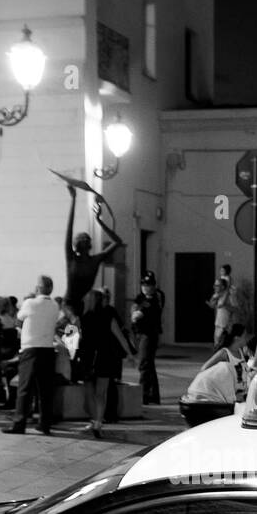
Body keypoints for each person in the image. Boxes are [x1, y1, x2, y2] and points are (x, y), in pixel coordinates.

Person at [6, 276, 60, 435]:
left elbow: (19, 318)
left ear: (37, 288)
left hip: (30, 349)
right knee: (45, 390)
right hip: (48, 350)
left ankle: (19, 423)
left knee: (25, 389)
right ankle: (45, 424)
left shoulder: (29, 303)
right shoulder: (55, 305)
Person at [78, 286, 134, 437]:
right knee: (101, 393)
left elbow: (74, 337)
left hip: (88, 357)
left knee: (89, 391)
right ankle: (98, 423)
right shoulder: (108, 315)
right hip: (105, 356)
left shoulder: (83, 316)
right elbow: (120, 336)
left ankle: (92, 419)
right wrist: (129, 353)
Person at [64, 184, 124, 308]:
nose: (84, 240)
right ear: (77, 244)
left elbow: (118, 242)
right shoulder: (72, 258)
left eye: (86, 239)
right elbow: (69, 228)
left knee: (79, 326)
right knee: (72, 327)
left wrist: (99, 220)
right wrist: (73, 200)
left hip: (82, 306)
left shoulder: (95, 260)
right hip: (68, 306)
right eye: (81, 239)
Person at [130, 273, 162, 405]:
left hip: (149, 334)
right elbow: (134, 308)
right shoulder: (141, 298)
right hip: (140, 333)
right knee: (149, 364)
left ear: (154, 286)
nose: (145, 287)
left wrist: (136, 312)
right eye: (143, 284)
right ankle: (153, 394)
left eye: (148, 285)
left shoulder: (155, 299)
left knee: (144, 364)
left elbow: (138, 314)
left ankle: (143, 394)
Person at [209, 267, 234, 347]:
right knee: (217, 345)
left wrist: (225, 305)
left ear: (222, 287)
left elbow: (235, 309)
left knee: (224, 347)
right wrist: (213, 300)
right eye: (215, 285)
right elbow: (213, 305)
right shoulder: (218, 296)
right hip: (218, 324)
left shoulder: (229, 296)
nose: (215, 287)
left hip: (226, 326)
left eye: (217, 285)